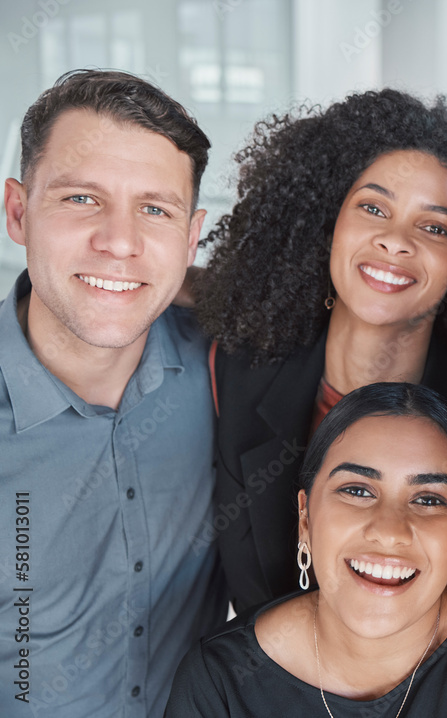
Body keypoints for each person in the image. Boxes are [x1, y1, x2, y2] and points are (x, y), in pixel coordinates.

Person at [193, 90, 447, 615]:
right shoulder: (234, 369)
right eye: (372, 207)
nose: (395, 241)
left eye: (434, 227)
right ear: (330, 225)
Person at [165, 381, 447, 717]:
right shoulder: (219, 681)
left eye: (430, 499)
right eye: (357, 490)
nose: (390, 531)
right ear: (305, 517)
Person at [0, 70, 226, 717]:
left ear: (190, 235)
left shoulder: (226, 362)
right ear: (19, 211)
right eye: (81, 199)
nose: (119, 242)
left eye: (154, 209)